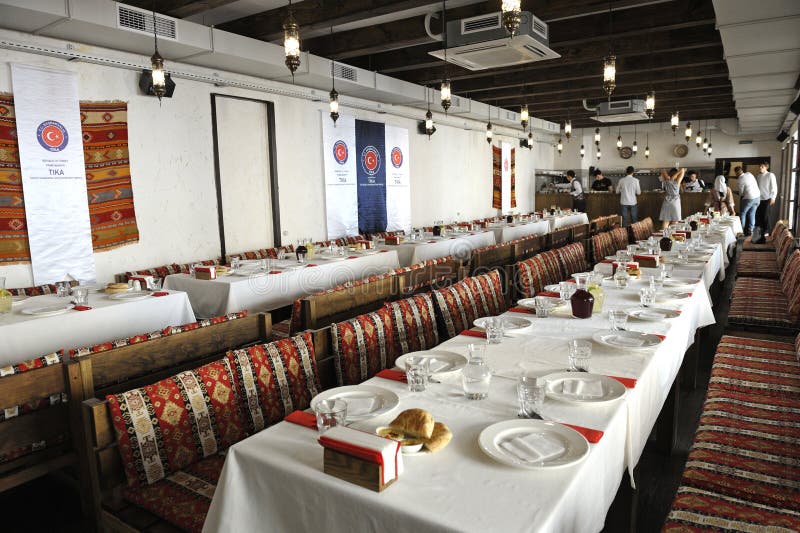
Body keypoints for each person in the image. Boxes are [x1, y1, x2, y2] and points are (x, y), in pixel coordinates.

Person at [754, 162, 777, 243]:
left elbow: (774, 187)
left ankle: (767, 232)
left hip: (768, 198)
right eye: (759, 166)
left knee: (765, 216)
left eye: (762, 166)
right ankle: (760, 234)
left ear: (766, 167)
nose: (760, 167)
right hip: (759, 199)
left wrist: (773, 198)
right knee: (758, 216)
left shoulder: (770, 175)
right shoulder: (758, 176)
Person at [736, 166, 760, 236]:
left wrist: (735, 192)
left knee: (743, 213)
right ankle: (751, 230)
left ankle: (741, 231)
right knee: (752, 213)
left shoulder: (740, 179)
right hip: (757, 197)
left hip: (749, 198)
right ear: (742, 170)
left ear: (736, 173)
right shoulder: (749, 173)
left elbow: (741, 193)